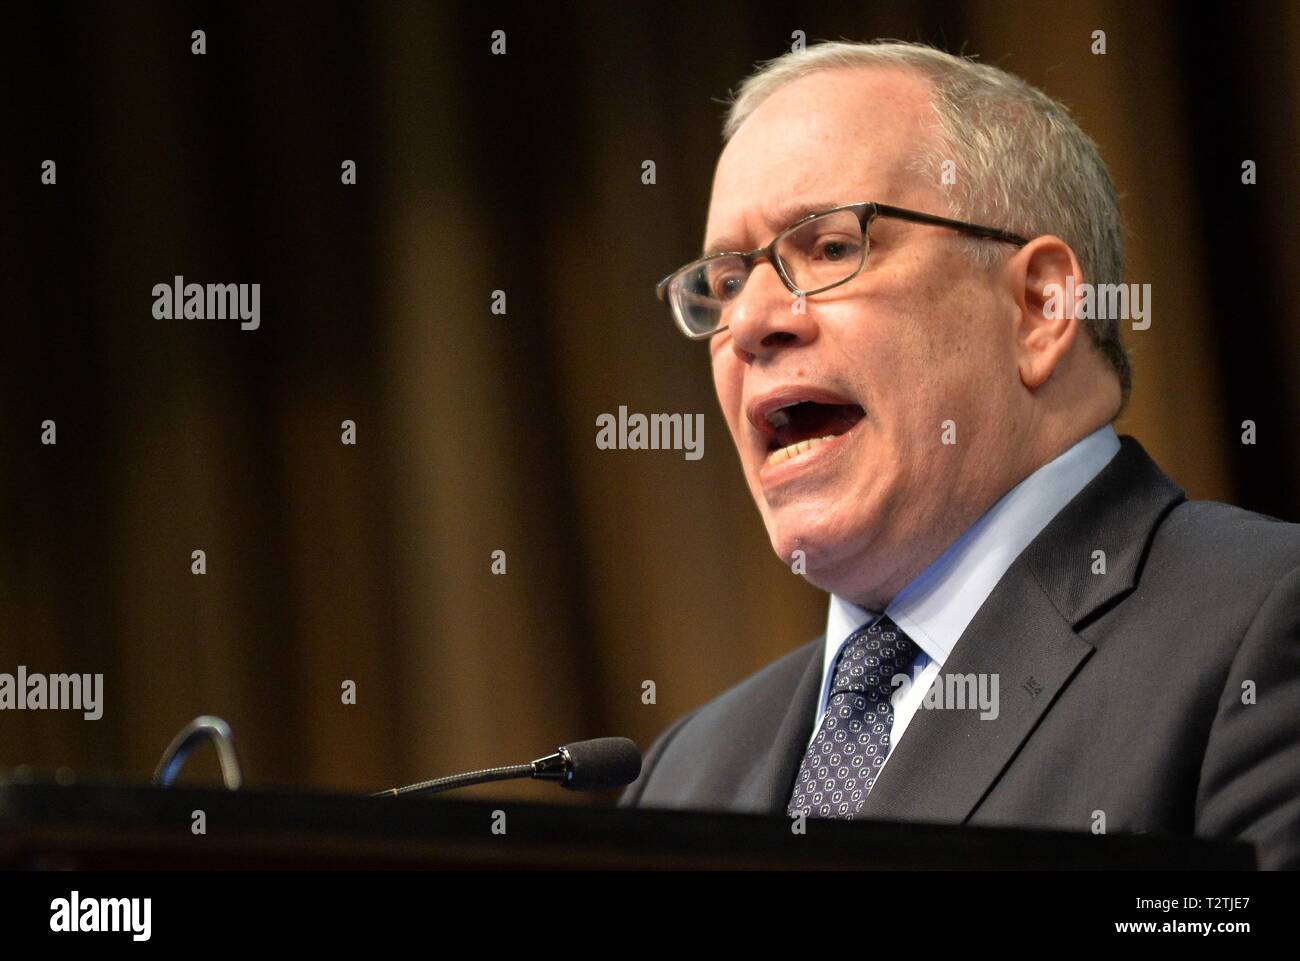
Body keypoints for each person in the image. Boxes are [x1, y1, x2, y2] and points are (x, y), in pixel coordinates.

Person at [617, 40, 1300, 870]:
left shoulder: (1260, 624)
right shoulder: (687, 772)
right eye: (725, 283)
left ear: (1039, 306)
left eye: (830, 247)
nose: (753, 323)